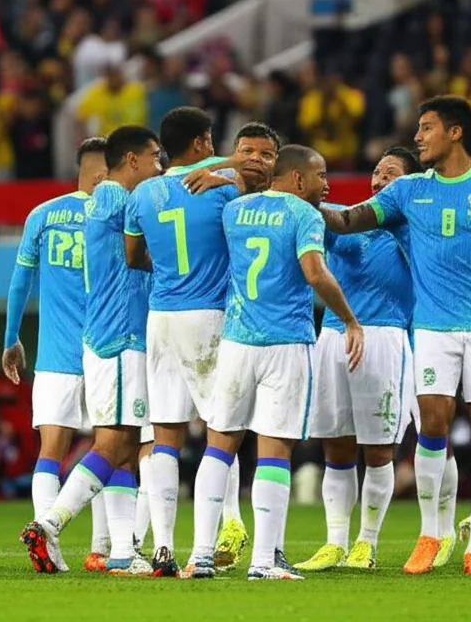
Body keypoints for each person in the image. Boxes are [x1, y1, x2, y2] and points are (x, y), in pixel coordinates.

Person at [320, 95, 471, 576]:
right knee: (434, 424)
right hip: (433, 329)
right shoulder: (407, 193)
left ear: (456, 132)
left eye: (426, 128)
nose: (417, 136)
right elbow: (349, 219)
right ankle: (428, 535)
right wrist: (301, 201)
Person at [196, 144, 363, 581]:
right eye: (322, 176)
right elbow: (314, 272)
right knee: (275, 449)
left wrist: (225, 172)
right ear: (298, 179)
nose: (327, 185)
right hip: (285, 344)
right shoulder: (303, 214)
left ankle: (198, 556)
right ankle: (264, 562)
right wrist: (349, 319)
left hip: (235, 342)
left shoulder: (236, 209)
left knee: (219, 447)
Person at [20, 125, 161, 576]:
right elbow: (141, 253)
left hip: (102, 339)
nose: (160, 167)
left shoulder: (100, 201)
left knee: (120, 444)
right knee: (115, 443)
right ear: (132, 161)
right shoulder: (124, 200)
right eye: (155, 158)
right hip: (121, 337)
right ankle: (51, 523)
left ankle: (121, 549)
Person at [123, 106, 249, 577]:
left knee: (164, 437)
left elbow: (134, 255)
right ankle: (204, 549)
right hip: (208, 315)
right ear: (199, 144)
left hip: (161, 317)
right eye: (211, 140)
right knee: (222, 431)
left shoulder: (144, 194)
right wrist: (229, 174)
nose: (215, 148)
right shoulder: (219, 193)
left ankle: (162, 549)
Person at [295, 146, 420, 574]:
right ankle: (334, 542)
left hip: (383, 336)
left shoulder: (413, 231)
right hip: (332, 335)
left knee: (378, 449)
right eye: (377, 172)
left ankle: (366, 543)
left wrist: (306, 194)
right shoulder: (345, 219)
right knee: (336, 446)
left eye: (391, 174)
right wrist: (304, 196)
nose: (379, 180)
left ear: (410, 185)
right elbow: (320, 223)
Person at [2, 136, 112, 572]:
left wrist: (12, 338)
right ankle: (105, 546)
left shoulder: (43, 215)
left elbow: (19, 282)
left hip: (54, 356)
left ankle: (50, 546)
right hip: (106, 350)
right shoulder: (115, 212)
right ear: (103, 172)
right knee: (112, 445)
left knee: (51, 449)